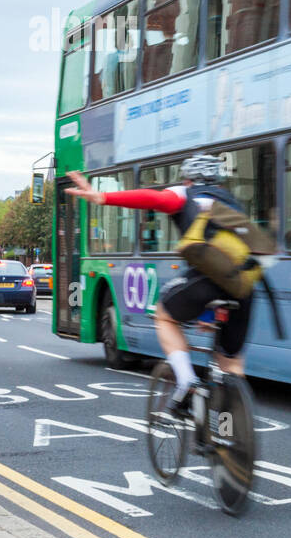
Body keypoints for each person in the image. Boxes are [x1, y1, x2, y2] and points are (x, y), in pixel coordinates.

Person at [65, 154, 254, 434]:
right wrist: (208, 312)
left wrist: (102, 197)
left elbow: (154, 199)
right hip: (246, 284)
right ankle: (230, 445)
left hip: (206, 279)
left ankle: (187, 381)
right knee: (231, 365)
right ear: (219, 180)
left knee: (164, 316)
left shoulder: (187, 193)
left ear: (188, 179)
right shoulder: (231, 202)